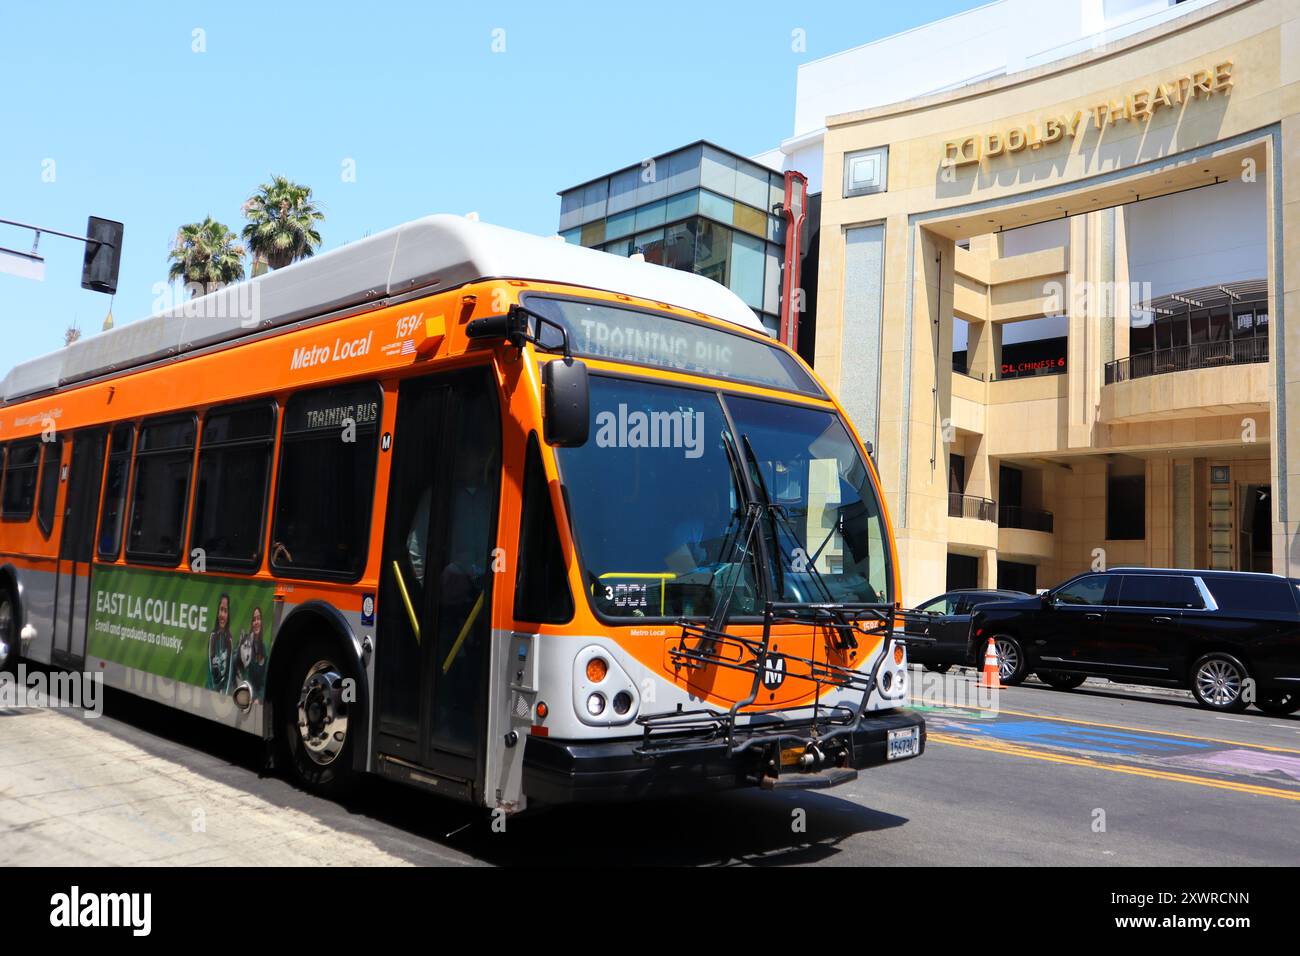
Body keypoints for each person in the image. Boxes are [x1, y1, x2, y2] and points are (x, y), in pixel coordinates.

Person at [233, 605, 269, 699]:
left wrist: (259, 698)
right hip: (245, 694)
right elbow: (243, 674)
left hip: (257, 700)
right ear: (251, 623)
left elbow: (264, 681)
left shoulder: (264, 648)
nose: (256, 622)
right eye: (254, 620)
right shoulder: (245, 644)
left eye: (258, 619)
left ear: (261, 621)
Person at [207, 594, 234, 694]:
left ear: (228, 615)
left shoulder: (229, 639)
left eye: (225, 611)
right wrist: (213, 693)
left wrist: (224, 696)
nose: (222, 614)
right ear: (217, 612)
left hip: (224, 692)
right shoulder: (212, 637)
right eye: (221, 610)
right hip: (211, 690)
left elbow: (229, 673)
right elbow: (209, 670)